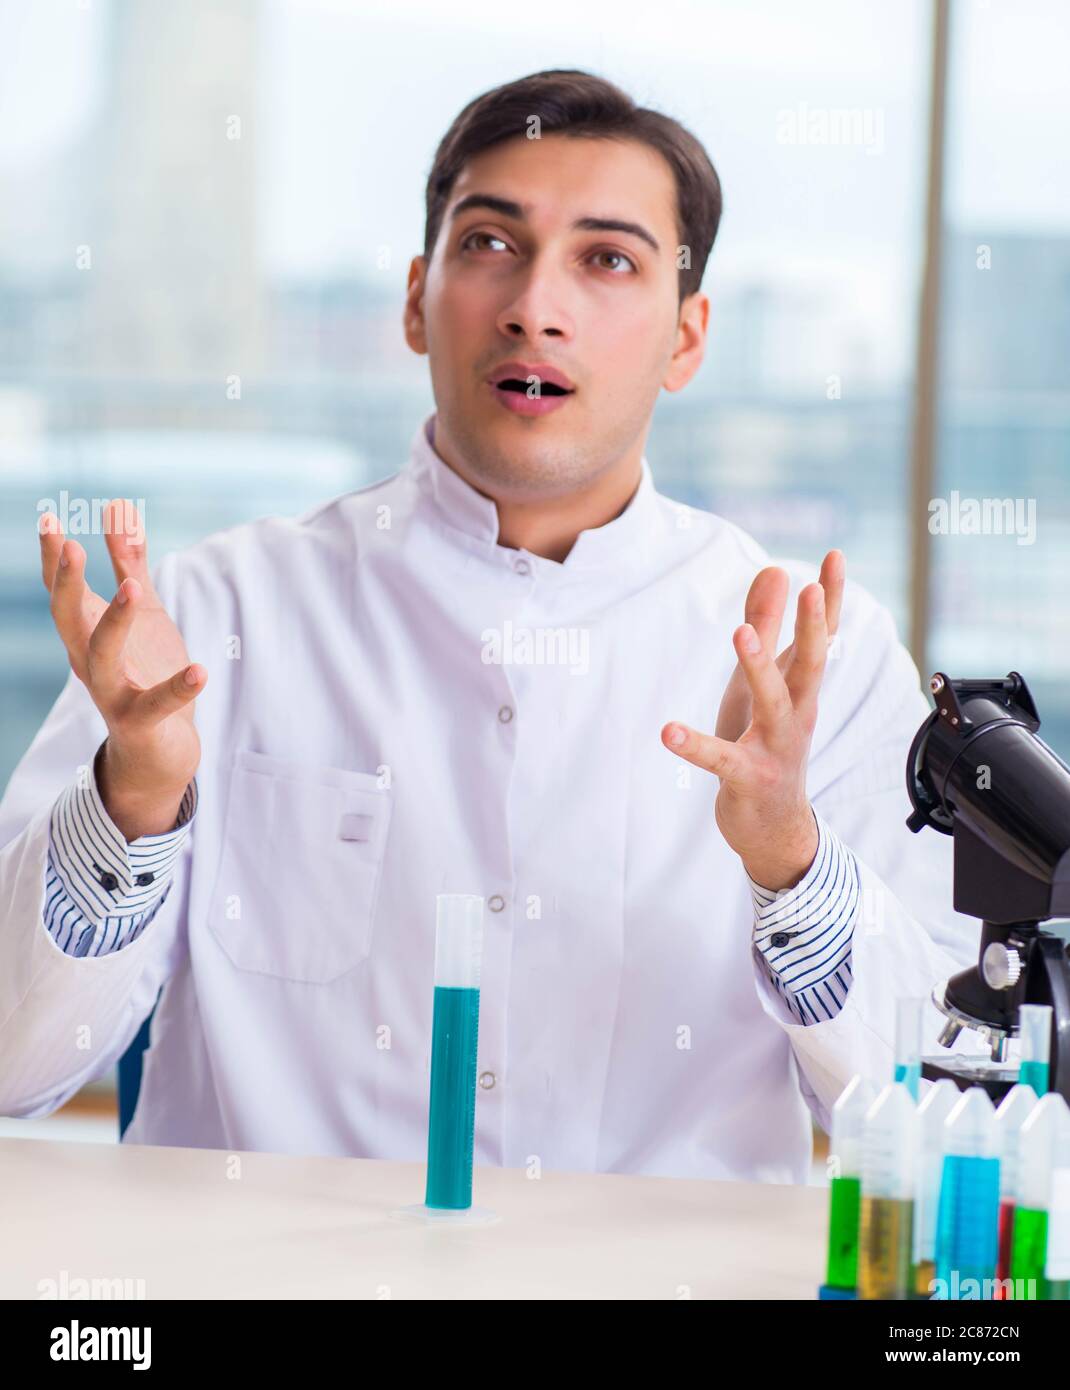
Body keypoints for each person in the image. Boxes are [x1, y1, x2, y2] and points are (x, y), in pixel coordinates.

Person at [0, 69, 982, 1184]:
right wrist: (133, 803)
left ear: (687, 337)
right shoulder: (203, 623)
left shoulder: (813, 654)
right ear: (416, 298)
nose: (534, 306)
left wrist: (790, 865)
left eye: (607, 259)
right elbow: (14, 1062)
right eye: (488, 244)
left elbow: (929, 1104)